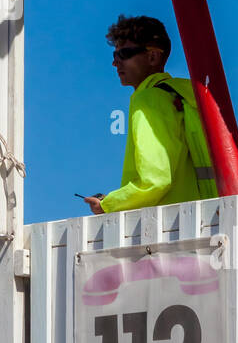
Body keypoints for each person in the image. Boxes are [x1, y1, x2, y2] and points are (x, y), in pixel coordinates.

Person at [83, 14, 216, 215]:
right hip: (204, 219)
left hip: (167, 229)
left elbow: (155, 180)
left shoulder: (148, 99)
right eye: (114, 56)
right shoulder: (186, 96)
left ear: (153, 57)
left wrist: (108, 204)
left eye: (124, 54)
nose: (115, 63)